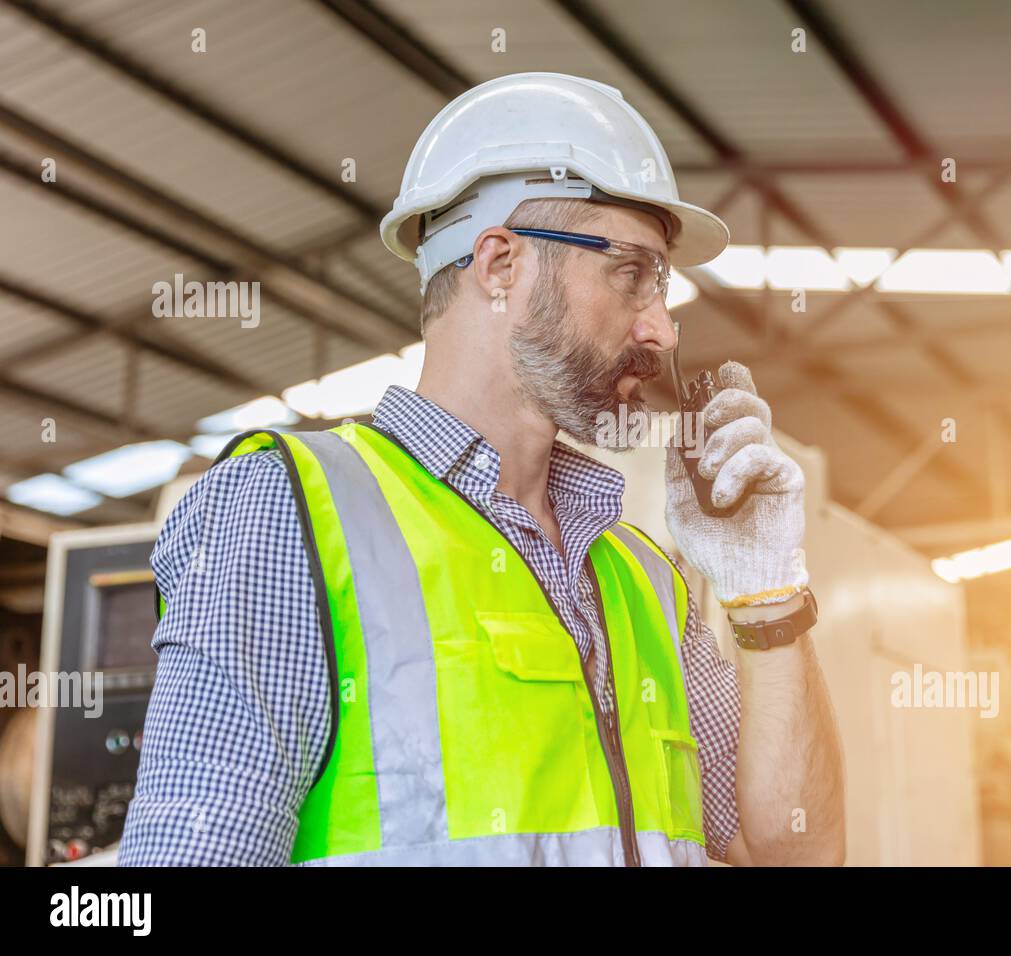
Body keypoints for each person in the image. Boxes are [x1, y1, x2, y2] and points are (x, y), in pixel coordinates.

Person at [118, 72, 844, 866]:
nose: (663, 332)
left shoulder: (644, 579)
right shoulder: (286, 512)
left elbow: (793, 855)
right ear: (501, 265)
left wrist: (764, 588)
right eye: (632, 274)